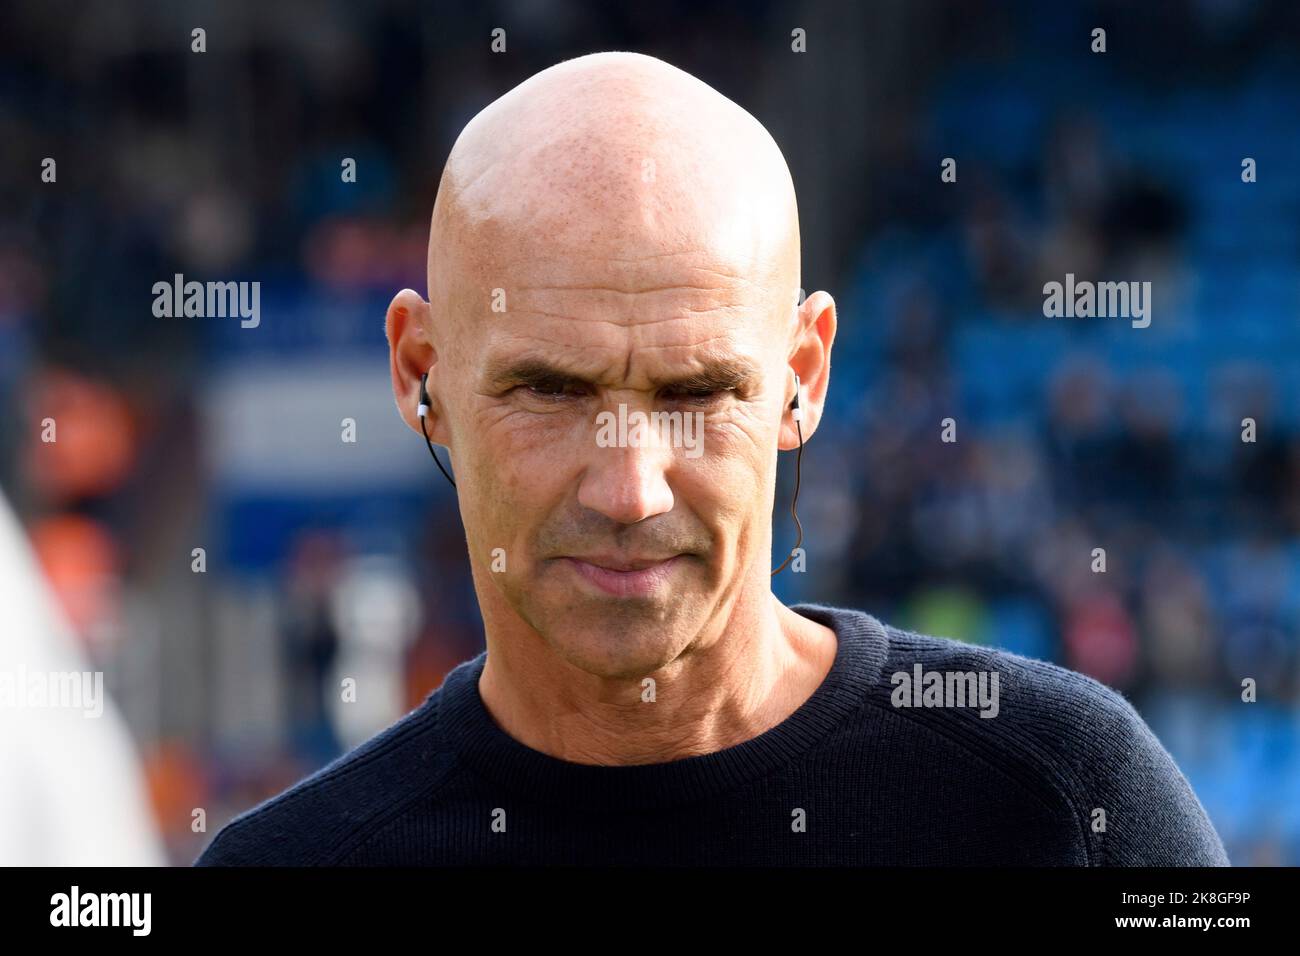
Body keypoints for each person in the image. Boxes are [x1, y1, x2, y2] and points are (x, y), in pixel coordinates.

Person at [196, 51, 1227, 866]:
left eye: (696, 394)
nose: (630, 487)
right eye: (550, 391)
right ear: (422, 371)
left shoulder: (1067, 801)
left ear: (802, 376)